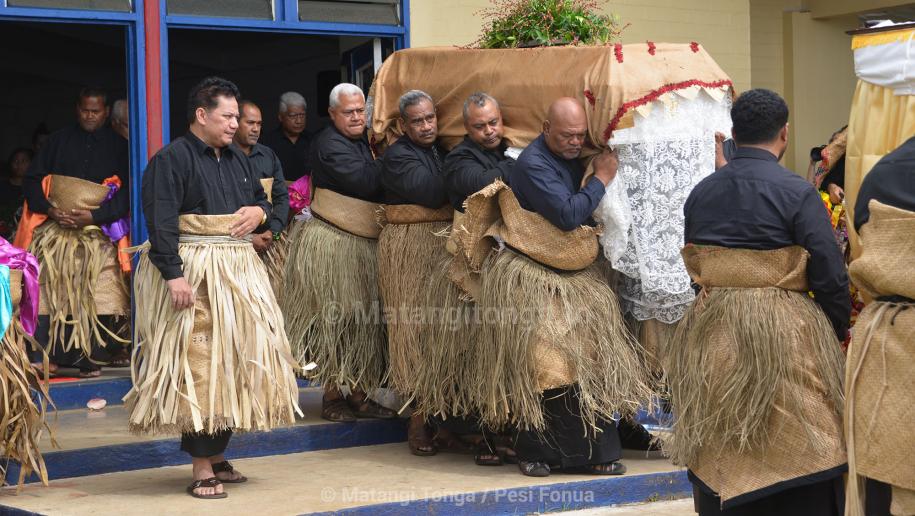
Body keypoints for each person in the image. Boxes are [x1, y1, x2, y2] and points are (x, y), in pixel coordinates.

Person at [670, 89, 849, 515]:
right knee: (806, 435)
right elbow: (830, 274)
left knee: (719, 435)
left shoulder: (702, 192)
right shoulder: (797, 192)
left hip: (712, 329)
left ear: (733, 133)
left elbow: (697, 265)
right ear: (784, 134)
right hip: (785, 331)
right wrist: (831, 331)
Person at [125, 76, 301, 500]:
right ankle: (202, 466)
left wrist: (260, 215)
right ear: (201, 115)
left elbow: (271, 203)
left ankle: (218, 454)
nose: (235, 124)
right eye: (228, 116)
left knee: (234, 362)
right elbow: (161, 220)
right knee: (199, 364)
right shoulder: (171, 159)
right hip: (196, 272)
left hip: (237, 274)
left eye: (237, 117)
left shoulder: (241, 159)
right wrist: (173, 274)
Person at [457, 97, 650, 478]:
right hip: (534, 276)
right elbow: (567, 215)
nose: (575, 142)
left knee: (587, 363)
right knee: (547, 365)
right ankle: (537, 454)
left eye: (580, 135)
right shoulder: (532, 165)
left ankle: (597, 452)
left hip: (574, 279)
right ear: (546, 129)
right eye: (566, 136)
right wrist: (602, 179)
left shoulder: (571, 154)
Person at [283, 83, 395, 423]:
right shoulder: (329, 145)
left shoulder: (361, 141)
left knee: (362, 322)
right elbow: (366, 182)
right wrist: (396, 155)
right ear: (333, 114)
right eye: (349, 112)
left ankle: (360, 394)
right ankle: (332, 395)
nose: (357, 117)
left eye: (361, 111)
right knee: (334, 320)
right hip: (334, 243)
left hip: (362, 243)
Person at [19, 86, 131, 378]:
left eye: (95, 111)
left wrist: (95, 215)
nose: (89, 116)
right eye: (84, 110)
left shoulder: (119, 146)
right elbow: (32, 179)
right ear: (77, 109)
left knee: (97, 296)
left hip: (98, 234)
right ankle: (45, 357)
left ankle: (90, 357)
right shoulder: (58, 141)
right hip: (58, 234)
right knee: (49, 291)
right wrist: (50, 209)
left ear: (106, 113)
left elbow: (129, 191)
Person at [844, 135, 915, 516]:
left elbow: (860, 231)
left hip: (885, 336)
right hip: (887, 340)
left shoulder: (882, 171)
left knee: (883, 474)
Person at [233, 100, 291, 301]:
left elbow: (282, 197)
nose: (255, 129)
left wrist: (272, 233)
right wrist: (249, 240)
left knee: (274, 299)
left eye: (259, 124)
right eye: (250, 123)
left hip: (270, 243)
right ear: (235, 122)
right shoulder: (222, 156)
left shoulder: (268, 156)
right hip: (233, 248)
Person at [443, 92, 515, 211]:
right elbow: (482, 184)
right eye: (479, 126)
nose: (488, 131)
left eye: (493, 122)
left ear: (501, 118)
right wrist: (517, 161)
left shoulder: (508, 144)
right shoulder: (457, 158)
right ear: (466, 126)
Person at [261, 91, 311, 182]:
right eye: (293, 116)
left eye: (302, 115)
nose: (299, 121)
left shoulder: (312, 140)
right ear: (281, 117)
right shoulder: (267, 142)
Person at [0, 148, 30, 240]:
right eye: (15, 161)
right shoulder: (2, 186)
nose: (19, 164)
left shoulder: (34, 189)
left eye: (23, 161)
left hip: (25, 236)